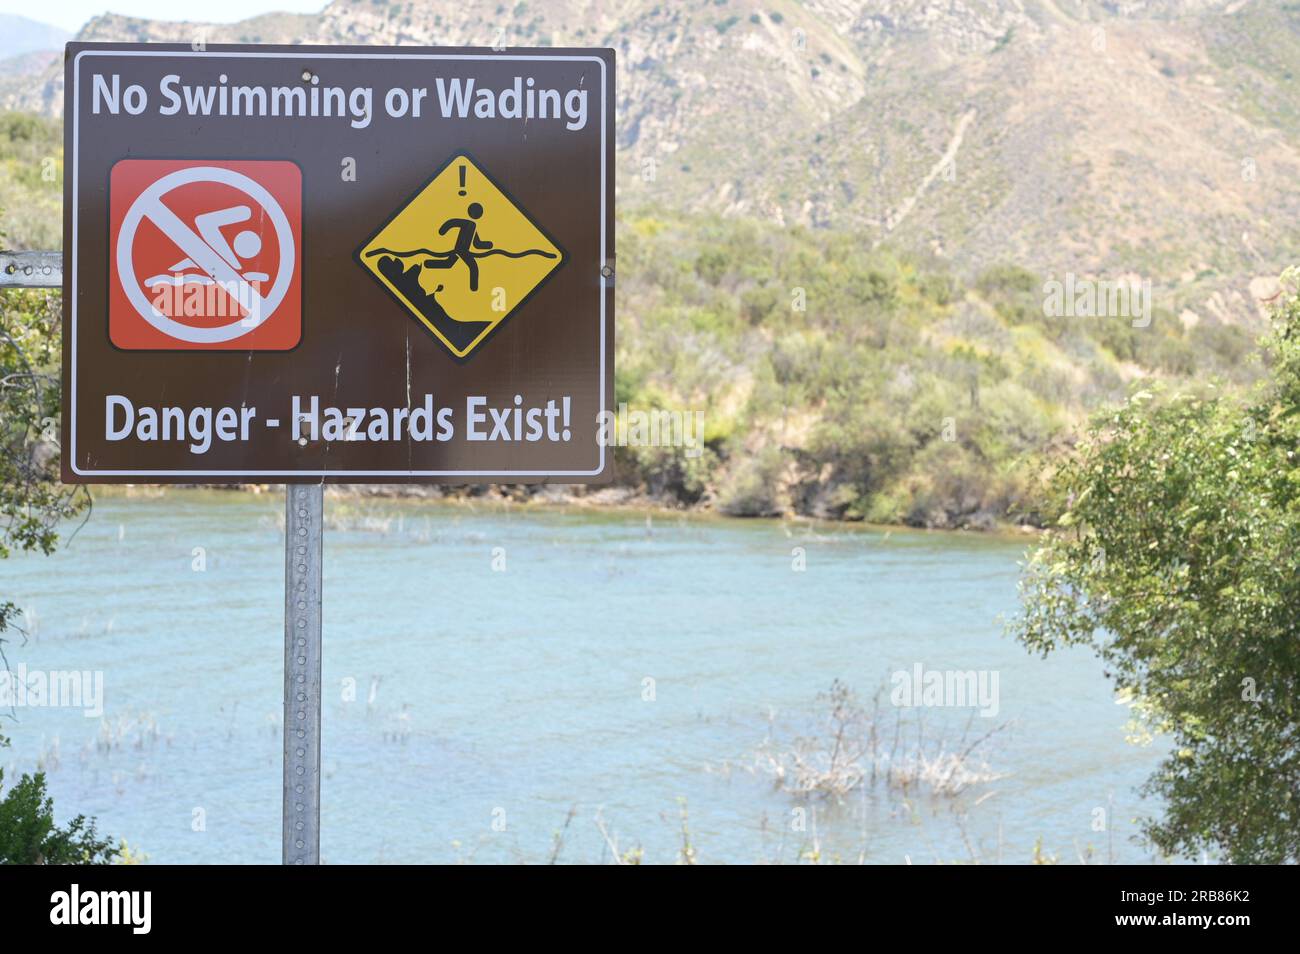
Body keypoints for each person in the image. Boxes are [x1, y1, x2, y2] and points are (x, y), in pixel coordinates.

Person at [426, 203, 493, 291]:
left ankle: (428, 263)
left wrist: (488, 245)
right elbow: (452, 223)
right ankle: (474, 288)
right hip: (462, 250)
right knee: (473, 266)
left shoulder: (472, 225)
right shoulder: (467, 223)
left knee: (449, 263)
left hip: (460, 250)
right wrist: (443, 230)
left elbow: (476, 243)